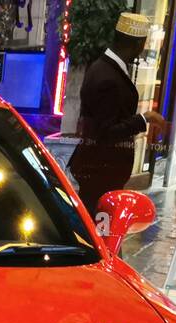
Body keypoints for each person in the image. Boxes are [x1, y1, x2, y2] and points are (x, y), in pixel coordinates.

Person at [66, 12, 167, 217]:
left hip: (100, 169)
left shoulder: (104, 67)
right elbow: (107, 131)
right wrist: (143, 119)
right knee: (102, 227)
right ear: (139, 43)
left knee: (101, 227)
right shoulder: (108, 77)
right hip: (101, 171)